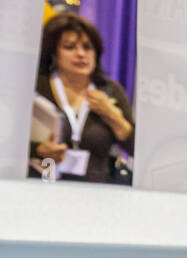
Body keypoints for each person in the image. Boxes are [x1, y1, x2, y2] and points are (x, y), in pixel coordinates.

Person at [30, 12, 134, 184]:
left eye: (87, 47)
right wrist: (37, 150)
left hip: (98, 190)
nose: (80, 54)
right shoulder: (37, 87)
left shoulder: (110, 91)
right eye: (69, 47)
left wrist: (113, 115)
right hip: (41, 186)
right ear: (54, 53)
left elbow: (135, 149)